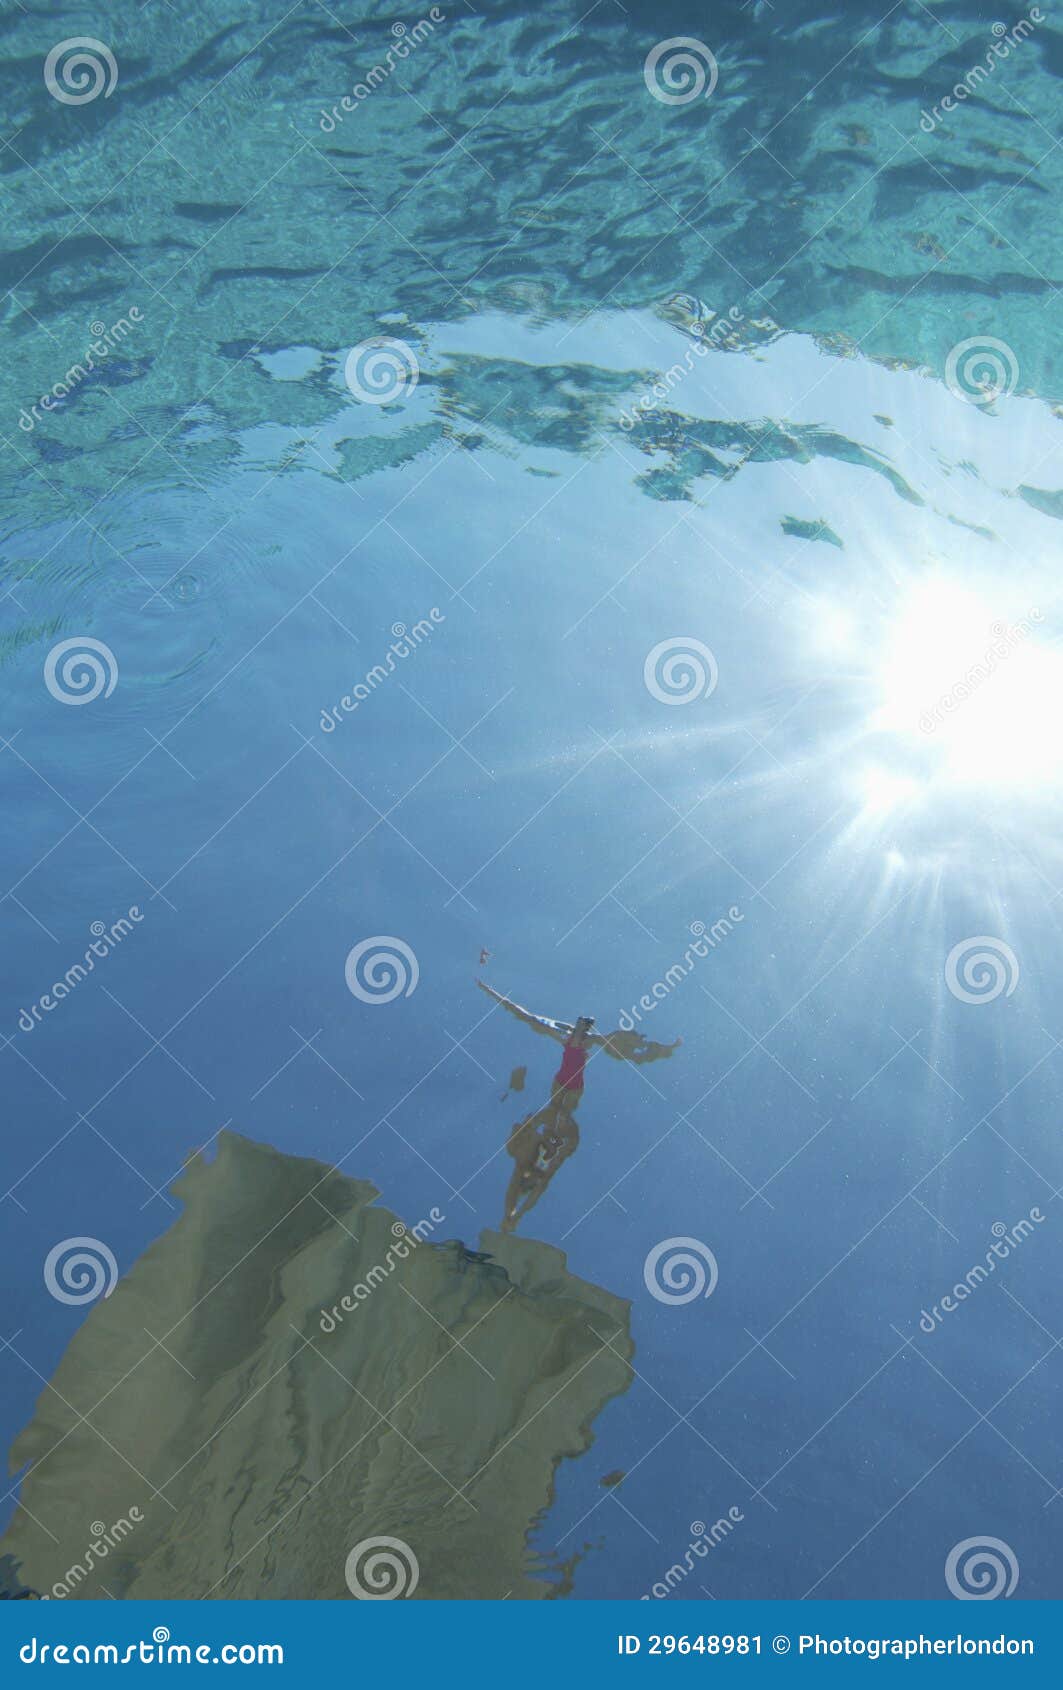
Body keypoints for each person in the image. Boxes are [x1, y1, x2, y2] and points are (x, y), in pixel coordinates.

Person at [480, 981, 680, 1230]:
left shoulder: (578, 1044)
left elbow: (625, 1048)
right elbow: (525, 1015)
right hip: (568, 1090)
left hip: (564, 1090)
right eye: (581, 1030)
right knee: (549, 1136)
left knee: (543, 1138)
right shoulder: (563, 1129)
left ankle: (517, 1201)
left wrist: (661, 1050)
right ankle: (516, 1203)